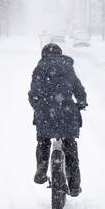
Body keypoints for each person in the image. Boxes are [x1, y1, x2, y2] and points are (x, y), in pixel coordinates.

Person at [28, 42, 88, 195]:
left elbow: (33, 93)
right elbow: (79, 89)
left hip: (46, 113)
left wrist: (39, 107)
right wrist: (81, 102)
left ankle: (41, 168)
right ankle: (74, 185)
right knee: (70, 146)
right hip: (67, 113)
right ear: (60, 54)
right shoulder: (68, 68)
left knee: (43, 141)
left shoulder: (39, 69)